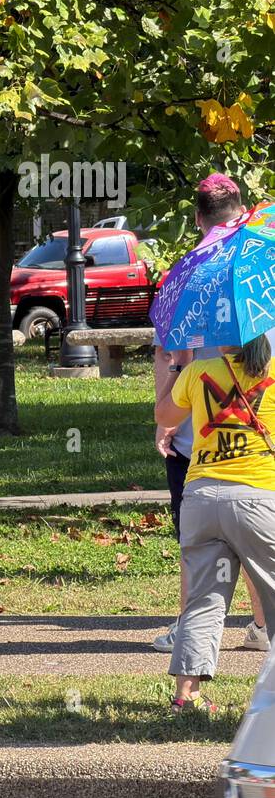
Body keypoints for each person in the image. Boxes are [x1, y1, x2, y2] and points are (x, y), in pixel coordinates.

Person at [152, 174, 269, 653]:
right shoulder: (265, 255)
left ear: (197, 218)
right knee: (262, 538)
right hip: (264, 433)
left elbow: (168, 354)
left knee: (201, 548)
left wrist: (166, 422)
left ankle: (192, 637)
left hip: (200, 427)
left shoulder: (190, 276)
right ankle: (262, 627)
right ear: (240, 207)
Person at [154, 335, 275, 711]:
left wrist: (177, 365)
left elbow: (165, 418)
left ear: (223, 342)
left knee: (203, 600)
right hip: (258, 499)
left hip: (202, 498)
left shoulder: (198, 371)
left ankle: (185, 698)